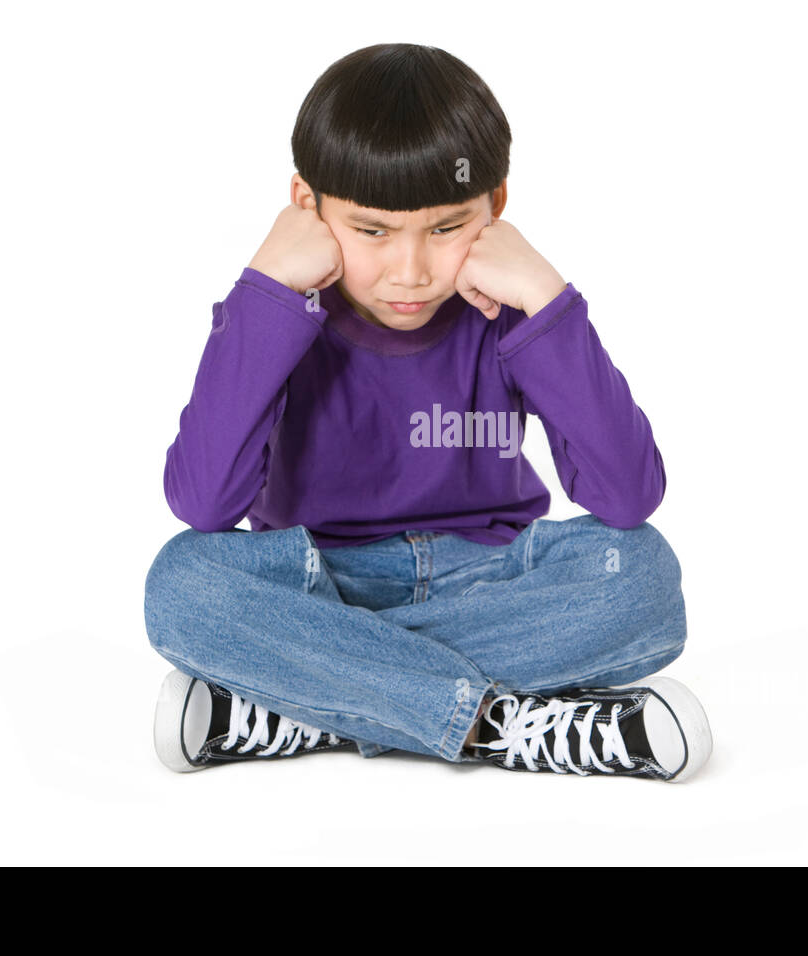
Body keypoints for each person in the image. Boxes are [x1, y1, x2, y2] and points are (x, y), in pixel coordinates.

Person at [144, 43, 712, 782]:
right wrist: (265, 292)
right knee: (184, 581)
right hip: (320, 583)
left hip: (492, 577)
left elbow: (628, 495)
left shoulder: (508, 309)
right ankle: (502, 726)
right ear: (307, 207)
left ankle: (311, 701)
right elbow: (204, 500)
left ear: (496, 206)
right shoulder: (282, 308)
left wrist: (546, 299)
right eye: (372, 231)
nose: (409, 271)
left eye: (445, 228)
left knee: (641, 573)